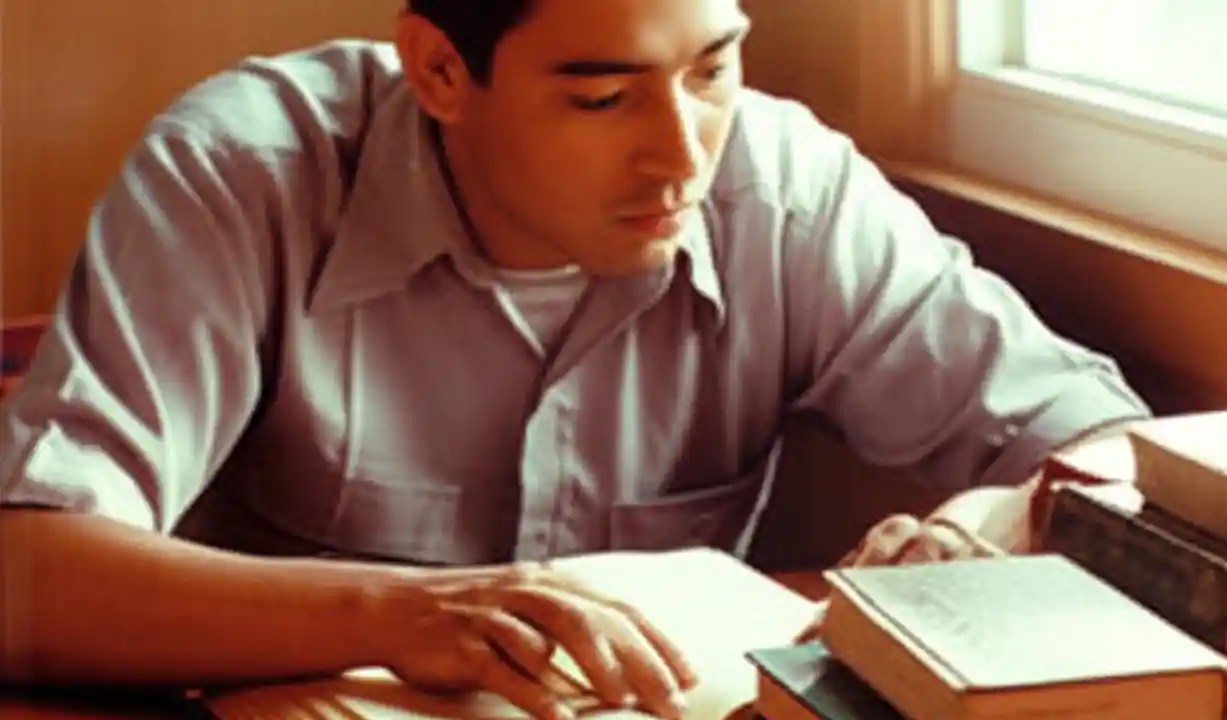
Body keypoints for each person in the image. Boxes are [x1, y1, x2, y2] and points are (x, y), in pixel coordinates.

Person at [0, 0, 1149, 717]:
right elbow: (27, 578)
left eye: (712, 68)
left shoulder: (784, 186)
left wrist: (980, 525)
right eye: (601, 95)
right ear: (440, 72)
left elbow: (1109, 444)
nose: (680, 155)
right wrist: (409, 615)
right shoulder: (245, 170)